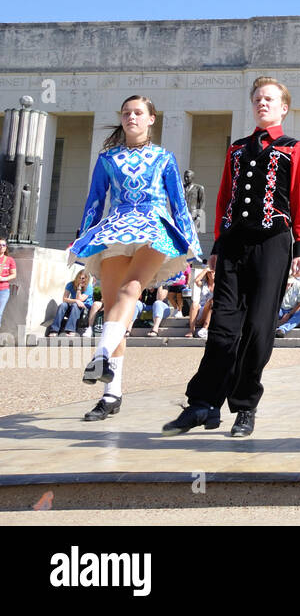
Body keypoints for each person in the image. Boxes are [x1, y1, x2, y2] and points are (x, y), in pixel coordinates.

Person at [162, 78, 300, 438]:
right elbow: (223, 201)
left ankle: (245, 406)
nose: (263, 103)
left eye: (270, 99)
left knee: (259, 330)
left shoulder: (295, 149)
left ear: (283, 108)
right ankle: (204, 404)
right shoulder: (236, 149)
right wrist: (216, 245)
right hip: (233, 245)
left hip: (273, 243)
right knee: (223, 327)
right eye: (258, 99)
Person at [70, 95, 202, 423]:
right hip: (116, 229)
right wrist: (83, 239)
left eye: (138, 113)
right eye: (127, 113)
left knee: (131, 291)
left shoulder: (164, 158)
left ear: (151, 119)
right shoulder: (107, 159)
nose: (132, 117)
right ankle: (111, 394)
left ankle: (100, 356)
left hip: (154, 228)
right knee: (115, 307)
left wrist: (192, 243)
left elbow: (178, 203)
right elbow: (94, 200)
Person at [49, 270, 92, 337]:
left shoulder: (89, 287)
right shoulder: (70, 284)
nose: (81, 280)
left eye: (83, 278)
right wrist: (76, 301)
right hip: (73, 306)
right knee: (63, 305)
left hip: (84, 309)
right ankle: (54, 330)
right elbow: (64, 299)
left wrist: (79, 289)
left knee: (75, 305)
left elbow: (80, 299)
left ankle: (70, 330)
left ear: (86, 279)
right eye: (79, 277)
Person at [0, 238, 17, 334]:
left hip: (3, 290)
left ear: (6, 247)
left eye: (3, 245)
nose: (1, 247)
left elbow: (14, 274)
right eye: (0, 245)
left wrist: (3, 278)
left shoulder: (9, 260)